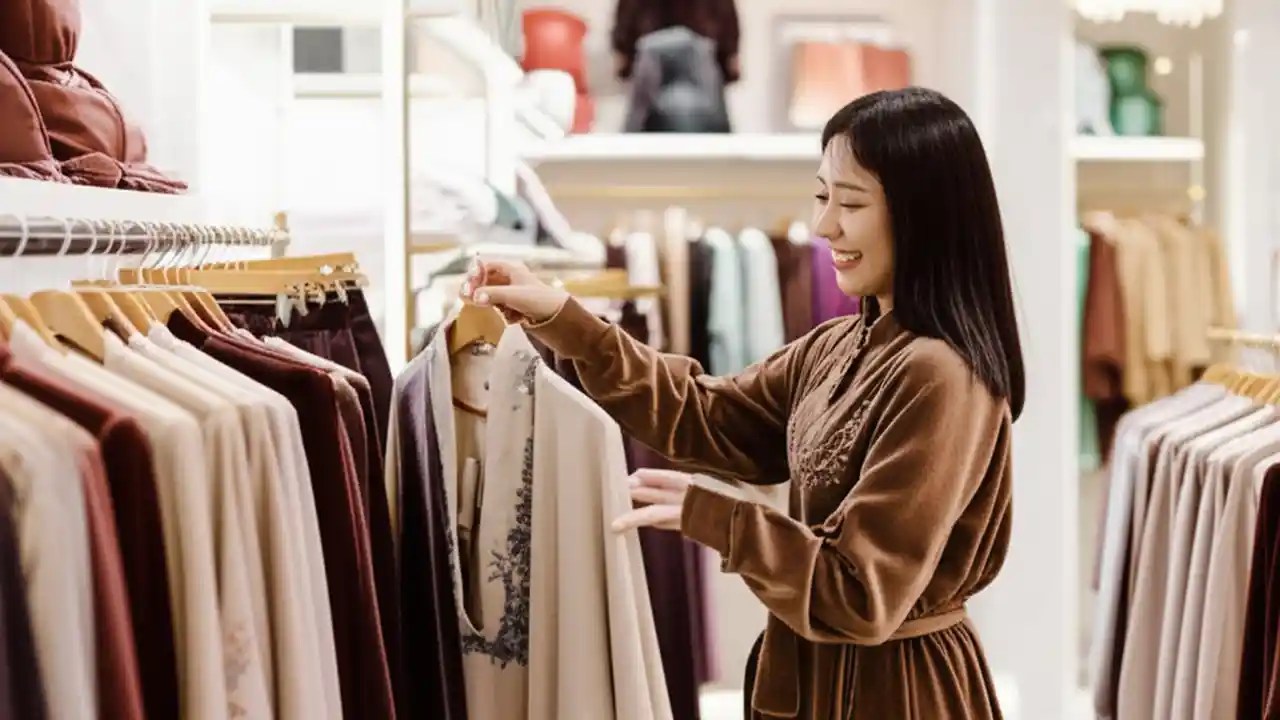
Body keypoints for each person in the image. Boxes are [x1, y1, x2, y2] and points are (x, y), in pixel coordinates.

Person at [461, 86, 1023, 719]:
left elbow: (862, 591)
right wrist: (562, 316)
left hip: (897, 694)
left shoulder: (941, 375)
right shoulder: (840, 343)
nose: (823, 225)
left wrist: (718, 519)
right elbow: (706, 415)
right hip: (822, 678)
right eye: (821, 195)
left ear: (923, 215)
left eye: (852, 202)